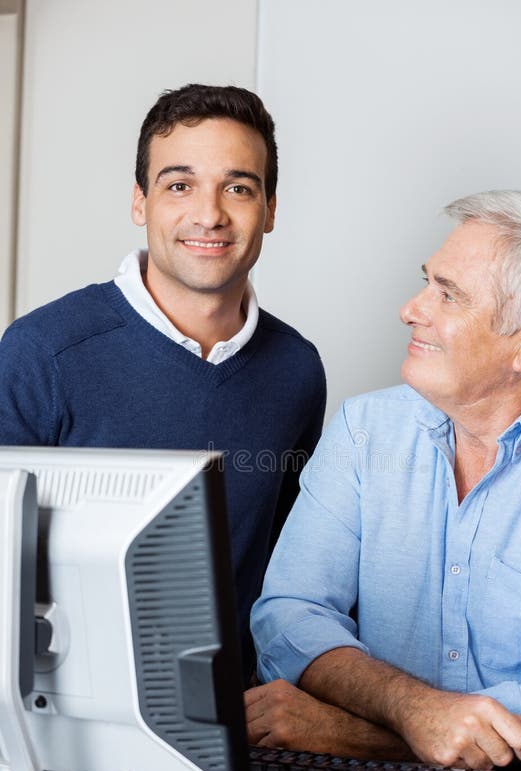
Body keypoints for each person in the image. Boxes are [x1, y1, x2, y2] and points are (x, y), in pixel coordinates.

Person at [247, 190, 521, 769]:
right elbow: (290, 614)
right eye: (428, 282)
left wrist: (366, 735)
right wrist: (412, 710)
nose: (411, 308)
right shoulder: (364, 430)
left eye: (448, 294)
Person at [0, 84, 326, 681]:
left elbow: (288, 571)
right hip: (62, 718)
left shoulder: (296, 369)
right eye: (179, 185)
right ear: (139, 202)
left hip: (233, 727)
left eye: (238, 188)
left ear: (270, 210)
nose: (210, 214)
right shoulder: (41, 352)